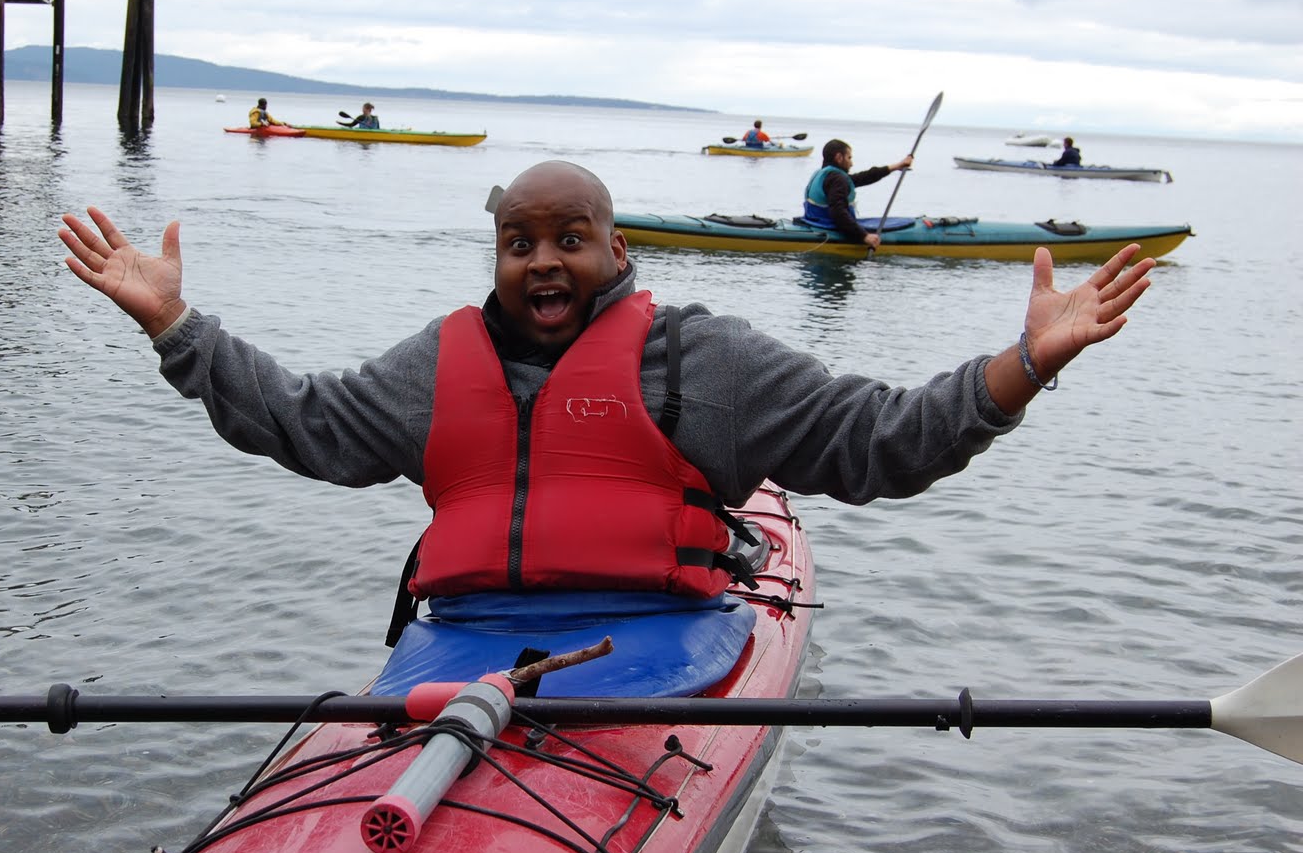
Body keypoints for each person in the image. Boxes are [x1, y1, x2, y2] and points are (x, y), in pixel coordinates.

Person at [58, 160, 1151, 629]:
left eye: (568, 240)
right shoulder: (436, 367)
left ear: (614, 247)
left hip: (662, 651)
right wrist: (174, 325)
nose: (542, 261)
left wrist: (1026, 362)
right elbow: (299, 420)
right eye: (517, 242)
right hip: (463, 643)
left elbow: (883, 443)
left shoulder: (702, 361)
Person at [802, 140, 913, 251]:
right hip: (829, 225)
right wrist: (864, 236)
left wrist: (896, 166)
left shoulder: (823, 173)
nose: (852, 163)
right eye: (849, 158)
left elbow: (863, 177)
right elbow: (838, 213)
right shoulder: (837, 179)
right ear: (839, 157)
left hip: (814, 221)